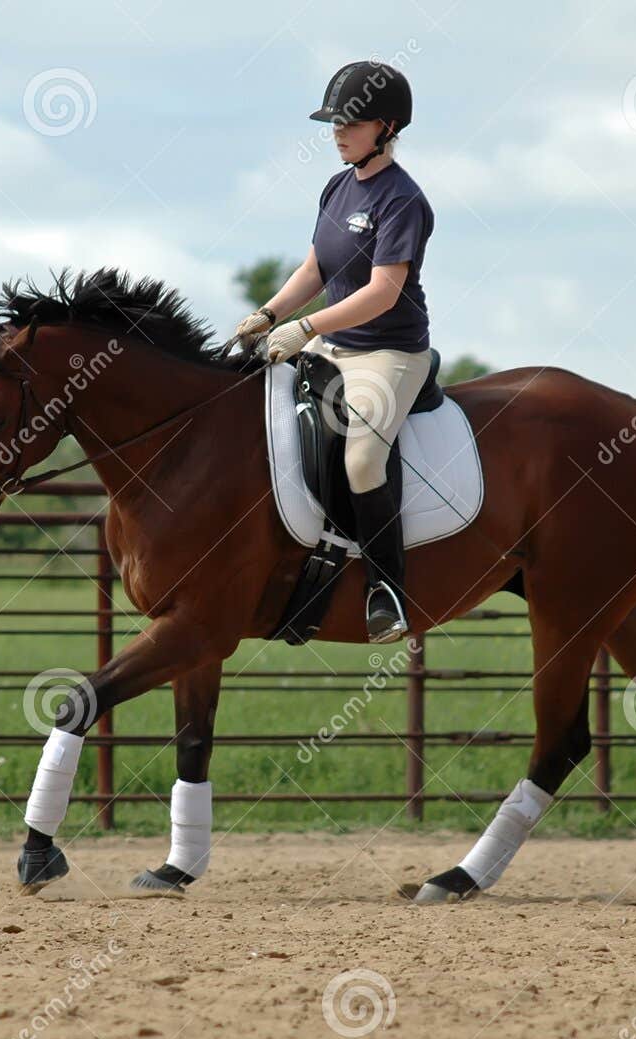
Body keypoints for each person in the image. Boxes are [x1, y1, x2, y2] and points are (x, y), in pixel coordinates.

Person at [234, 61, 434, 644]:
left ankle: (386, 592)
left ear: (387, 127)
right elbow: (315, 268)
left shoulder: (403, 199)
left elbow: (382, 293)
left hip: (389, 353)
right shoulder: (337, 186)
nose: (338, 133)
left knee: (363, 460)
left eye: (351, 123)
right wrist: (269, 314)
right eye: (334, 123)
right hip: (334, 342)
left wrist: (304, 327)